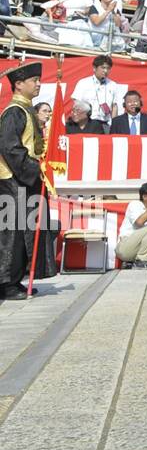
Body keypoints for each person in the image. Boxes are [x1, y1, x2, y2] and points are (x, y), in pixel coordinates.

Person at [0, 62, 56, 297]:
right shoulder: (14, 112)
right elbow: (11, 148)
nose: (38, 84)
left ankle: (16, 278)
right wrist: (34, 169)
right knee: (12, 232)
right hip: (13, 179)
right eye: (33, 81)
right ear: (19, 84)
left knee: (26, 230)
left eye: (38, 80)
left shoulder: (27, 110)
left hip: (26, 178)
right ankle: (5, 282)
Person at [70, 54, 121, 127]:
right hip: (87, 123)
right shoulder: (83, 83)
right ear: (94, 68)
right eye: (103, 68)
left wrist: (114, 126)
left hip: (105, 124)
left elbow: (114, 107)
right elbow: (76, 103)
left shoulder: (113, 85)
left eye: (108, 68)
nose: (105, 71)